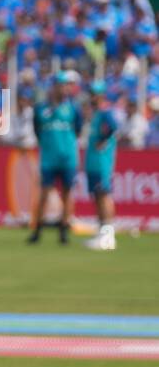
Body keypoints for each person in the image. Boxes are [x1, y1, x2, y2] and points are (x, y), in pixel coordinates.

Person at [28, 71, 84, 245]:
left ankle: (63, 230)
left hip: (67, 158)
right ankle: (37, 229)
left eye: (66, 85)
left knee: (67, 193)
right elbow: (37, 130)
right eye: (60, 85)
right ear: (53, 87)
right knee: (44, 193)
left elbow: (78, 130)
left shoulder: (73, 108)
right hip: (48, 159)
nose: (63, 89)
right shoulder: (40, 109)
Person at [84, 82, 120, 251]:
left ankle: (108, 236)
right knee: (98, 196)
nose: (92, 97)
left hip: (101, 162)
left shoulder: (105, 111)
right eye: (91, 93)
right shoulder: (96, 113)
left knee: (104, 195)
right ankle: (101, 234)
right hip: (93, 161)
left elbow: (113, 127)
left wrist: (103, 140)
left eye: (95, 94)